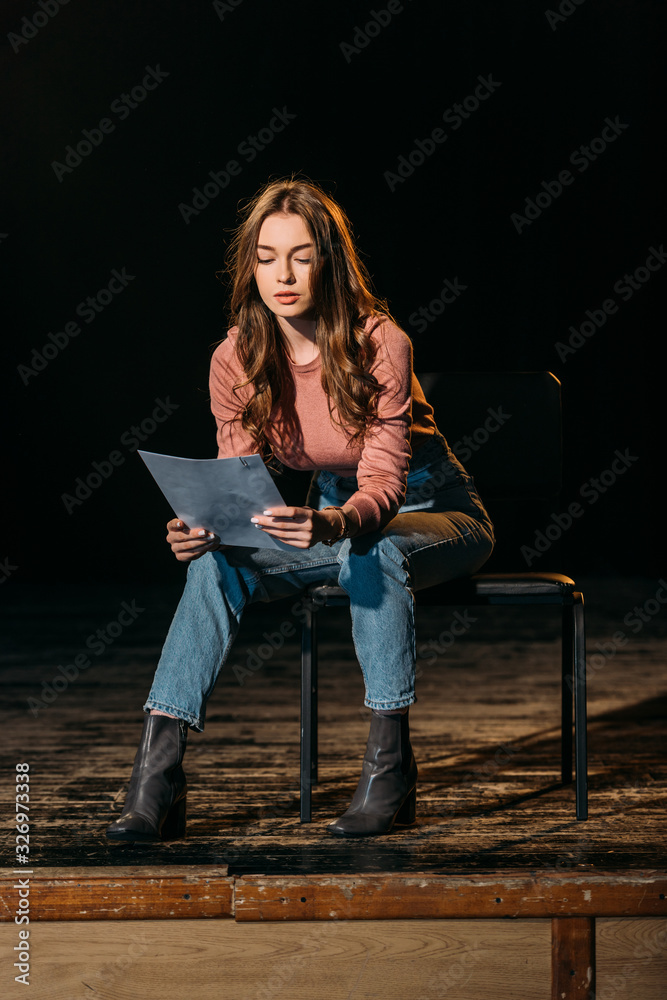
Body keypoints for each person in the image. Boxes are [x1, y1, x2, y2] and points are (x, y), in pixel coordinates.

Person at [106, 177, 495, 842]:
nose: (281, 274)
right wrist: (203, 529)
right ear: (249, 265)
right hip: (332, 520)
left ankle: (389, 768)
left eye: (301, 255)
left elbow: (382, 478)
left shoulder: (380, 343)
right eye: (265, 256)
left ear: (329, 261)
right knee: (215, 566)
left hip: (434, 512)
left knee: (377, 549)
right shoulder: (236, 356)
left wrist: (338, 521)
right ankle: (158, 775)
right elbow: (234, 482)